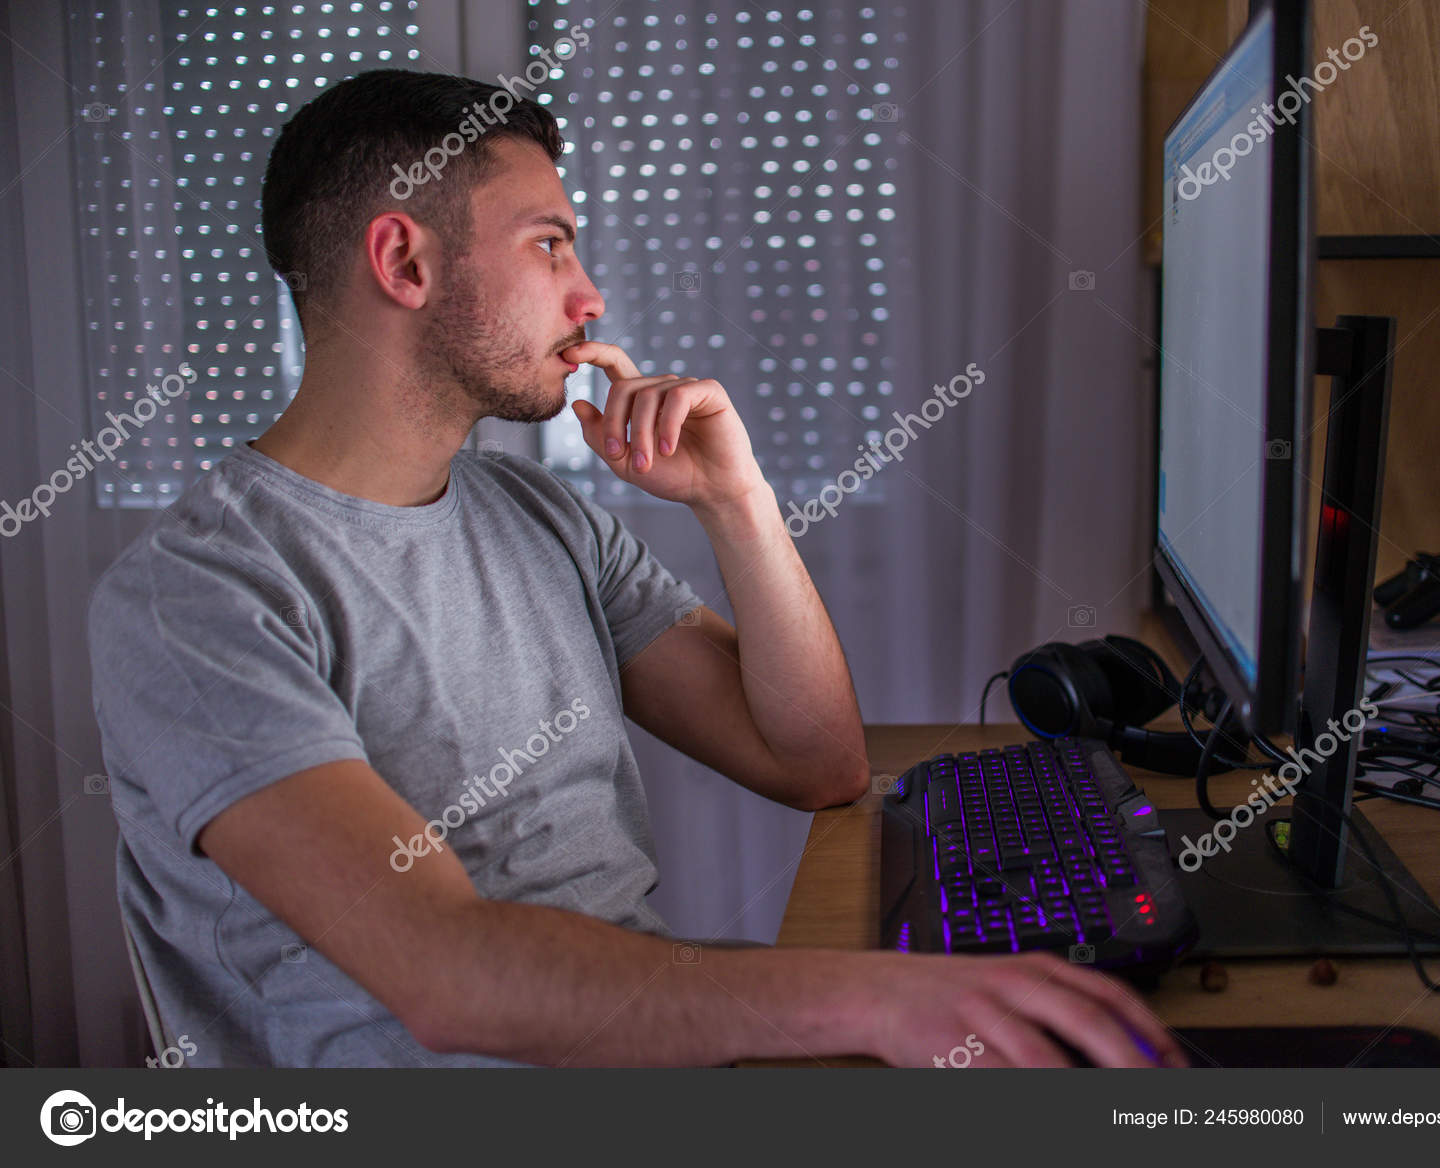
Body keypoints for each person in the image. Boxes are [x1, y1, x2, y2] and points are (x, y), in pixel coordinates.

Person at [87, 69, 1184, 1069]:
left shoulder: (535, 514)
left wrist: (736, 502)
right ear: (403, 261)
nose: (589, 295)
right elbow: (445, 977)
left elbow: (815, 763)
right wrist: (874, 1001)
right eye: (549, 244)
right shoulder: (197, 596)